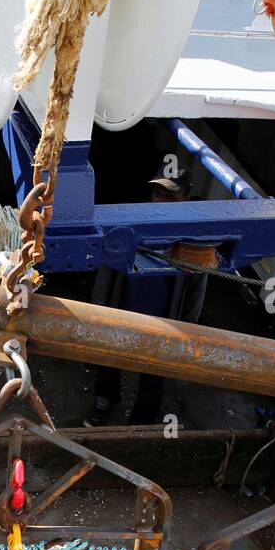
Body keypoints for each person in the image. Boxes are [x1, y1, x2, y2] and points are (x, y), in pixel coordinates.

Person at [86, 168, 209, 426]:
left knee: (155, 372)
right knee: (110, 354)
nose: (159, 200)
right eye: (157, 193)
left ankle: (141, 422)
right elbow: (107, 266)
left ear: (186, 199)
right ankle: (103, 403)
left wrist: (189, 326)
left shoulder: (194, 236)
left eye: (169, 196)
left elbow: (198, 283)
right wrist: (97, 310)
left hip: (164, 318)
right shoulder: (132, 222)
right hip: (125, 306)